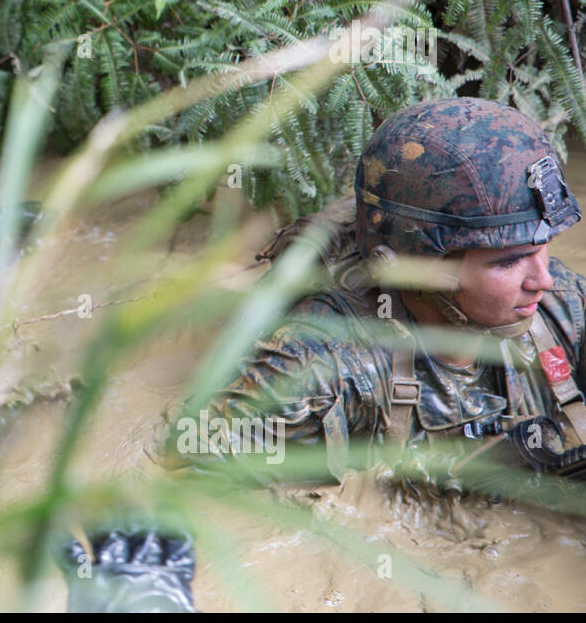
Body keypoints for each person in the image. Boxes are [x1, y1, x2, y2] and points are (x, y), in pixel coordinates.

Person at [174, 97, 586, 484]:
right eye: (509, 262)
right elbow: (186, 472)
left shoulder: (564, 304)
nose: (542, 279)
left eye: (542, 248)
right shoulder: (321, 361)